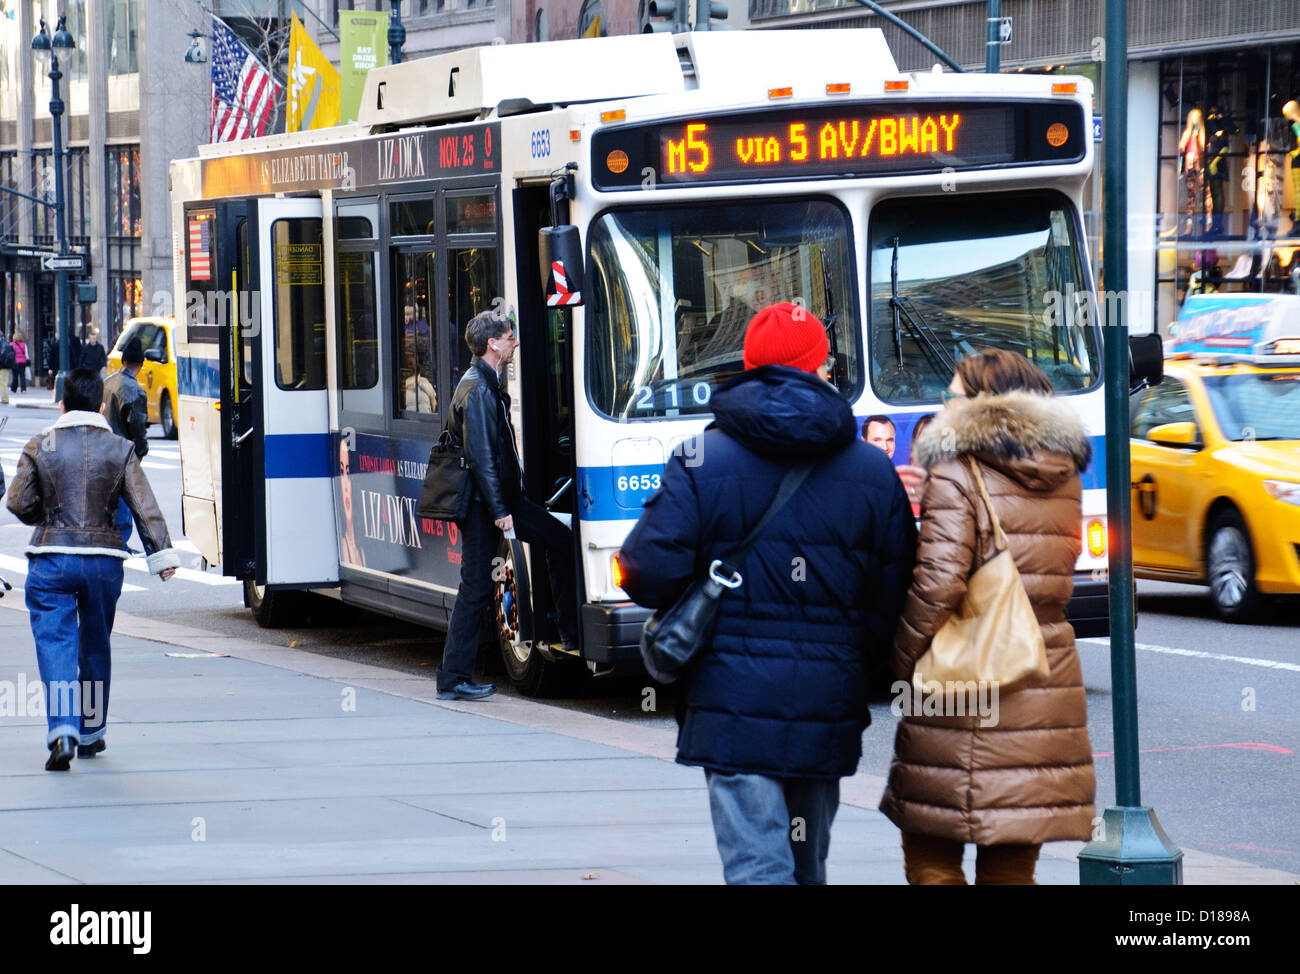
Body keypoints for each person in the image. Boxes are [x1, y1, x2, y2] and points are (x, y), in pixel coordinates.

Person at [618, 302, 916, 885]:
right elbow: (896, 590)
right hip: (826, 700)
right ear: (821, 368)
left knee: (757, 866)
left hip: (730, 702)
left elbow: (645, 570)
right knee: (806, 866)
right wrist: (859, 665)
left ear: (750, 366)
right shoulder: (870, 469)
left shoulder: (700, 458)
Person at [878, 348, 1096, 885]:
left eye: (951, 394)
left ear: (980, 403)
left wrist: (904, 659)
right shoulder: (1064, 472)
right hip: (1042, 670)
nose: (943, 402)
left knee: (932, 852)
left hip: (965, 680)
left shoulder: (955, 471)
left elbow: (939, 582)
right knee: (1013, 857)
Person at [5, 368, 179, 771]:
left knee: (55, 642)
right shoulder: (119, 448)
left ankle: (62, 729)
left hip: (52, 558)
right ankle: (90, 732)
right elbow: (144, 505)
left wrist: (44, 516)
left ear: (62, 405)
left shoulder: (40, 444)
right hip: (104, 561)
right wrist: (161, 556)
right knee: (95, 643)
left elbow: (18, 501)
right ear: (101, 406)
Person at [434, 308, 579, 701]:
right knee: (476, 587)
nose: (515, 342)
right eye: (509, 337)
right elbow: (481, 457)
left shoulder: (484, 381)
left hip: (499, 501)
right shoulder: (479, 389)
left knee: (558, 540)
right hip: (486, 505)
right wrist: (500, 511)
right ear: (493, 344)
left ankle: (570, 633)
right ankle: (452, 678)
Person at [102, 337, 150, 545]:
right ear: (140, 365)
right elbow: (137, 427)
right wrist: (141, 450)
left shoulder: (107, 383)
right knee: (124, 499)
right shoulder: (135, 391)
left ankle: (109, 538)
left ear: (123, 362)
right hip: (122, 452)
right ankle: (120, 541)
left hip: (102, 447)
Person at [0, 331, 12, 404]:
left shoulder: (2, 344)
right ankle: (5, 398)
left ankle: (5, 399)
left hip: (2, 366)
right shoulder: (7, 344)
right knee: (4, 383)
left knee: (3, 383)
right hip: (6, 366)